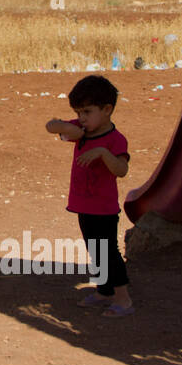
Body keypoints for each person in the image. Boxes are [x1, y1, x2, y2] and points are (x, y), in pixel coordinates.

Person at [45, 75, 133, 316]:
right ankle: (104, 291)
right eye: (78, 112)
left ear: (107, 110)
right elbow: (50, 126)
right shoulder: (80, 131)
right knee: (94, 249)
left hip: (103, 209)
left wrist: (103, 154)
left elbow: (121, 170)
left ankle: (123, 299)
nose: (82, 117)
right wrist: (67, 127)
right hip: (82, 205)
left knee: (109, 251)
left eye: (87, 111)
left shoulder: (115, 140)